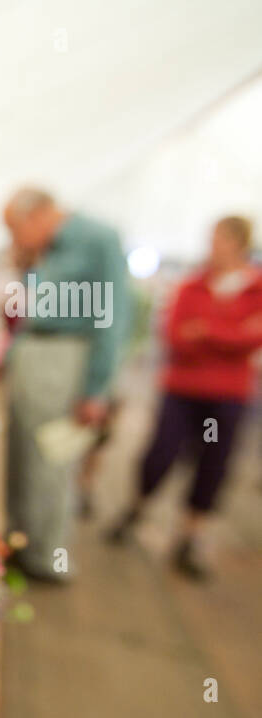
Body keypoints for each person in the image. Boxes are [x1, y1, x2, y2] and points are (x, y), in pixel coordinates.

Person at [108, 216, 262, 579]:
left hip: (223, 398)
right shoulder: (192, 285)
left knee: (212, 462)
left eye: (219, 239)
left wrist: (206, 331)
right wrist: (227, 335)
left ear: (238, 243)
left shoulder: (254, 289)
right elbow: (176, 335)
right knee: (161, 451)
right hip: (183, 391)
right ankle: (136, 508)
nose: (212, 246)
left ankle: (192, 533)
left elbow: (251, 339)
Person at [2, 188, 131, 580]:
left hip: (65, 360)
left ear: (38, 215)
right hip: (35, 354)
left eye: (15, 230)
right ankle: (19, 541)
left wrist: (96, 388)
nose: (15, 240)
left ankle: (49, 559)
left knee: (51, 461)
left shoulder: (99, 239)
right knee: (21, 455)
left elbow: (112, 317)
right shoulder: (48, 251)